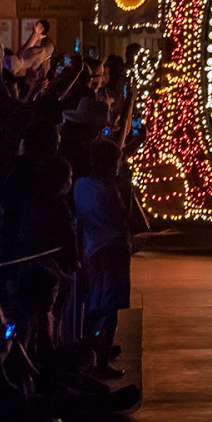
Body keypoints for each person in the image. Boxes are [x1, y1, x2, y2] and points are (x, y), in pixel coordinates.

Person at [73, 139, 130, 378]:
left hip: (91, 249)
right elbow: (122, 218)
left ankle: (87, 352)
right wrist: (127, 190)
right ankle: (100, 361)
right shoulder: (108, 191)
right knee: (110, 309)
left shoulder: (80, 185)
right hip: (113, 250)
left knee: (95, 303)